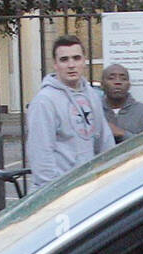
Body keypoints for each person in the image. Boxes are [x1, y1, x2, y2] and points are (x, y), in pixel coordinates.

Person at [26, 34, 111, 191]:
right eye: (64, 60)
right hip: (59, 192)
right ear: (55, 64)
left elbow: (104, 141)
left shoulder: (92, 94)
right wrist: (52, 193)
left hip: (88, 188)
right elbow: (41, 153)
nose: (71, 65)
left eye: (76, 58)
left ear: (84, 61)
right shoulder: (44, 101)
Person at [100, 64, 143, 143]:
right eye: (111, 78)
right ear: (102, 84)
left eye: (123, 79)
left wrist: (122, 134)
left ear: (129, 85)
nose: (118, 82)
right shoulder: (94, 111)